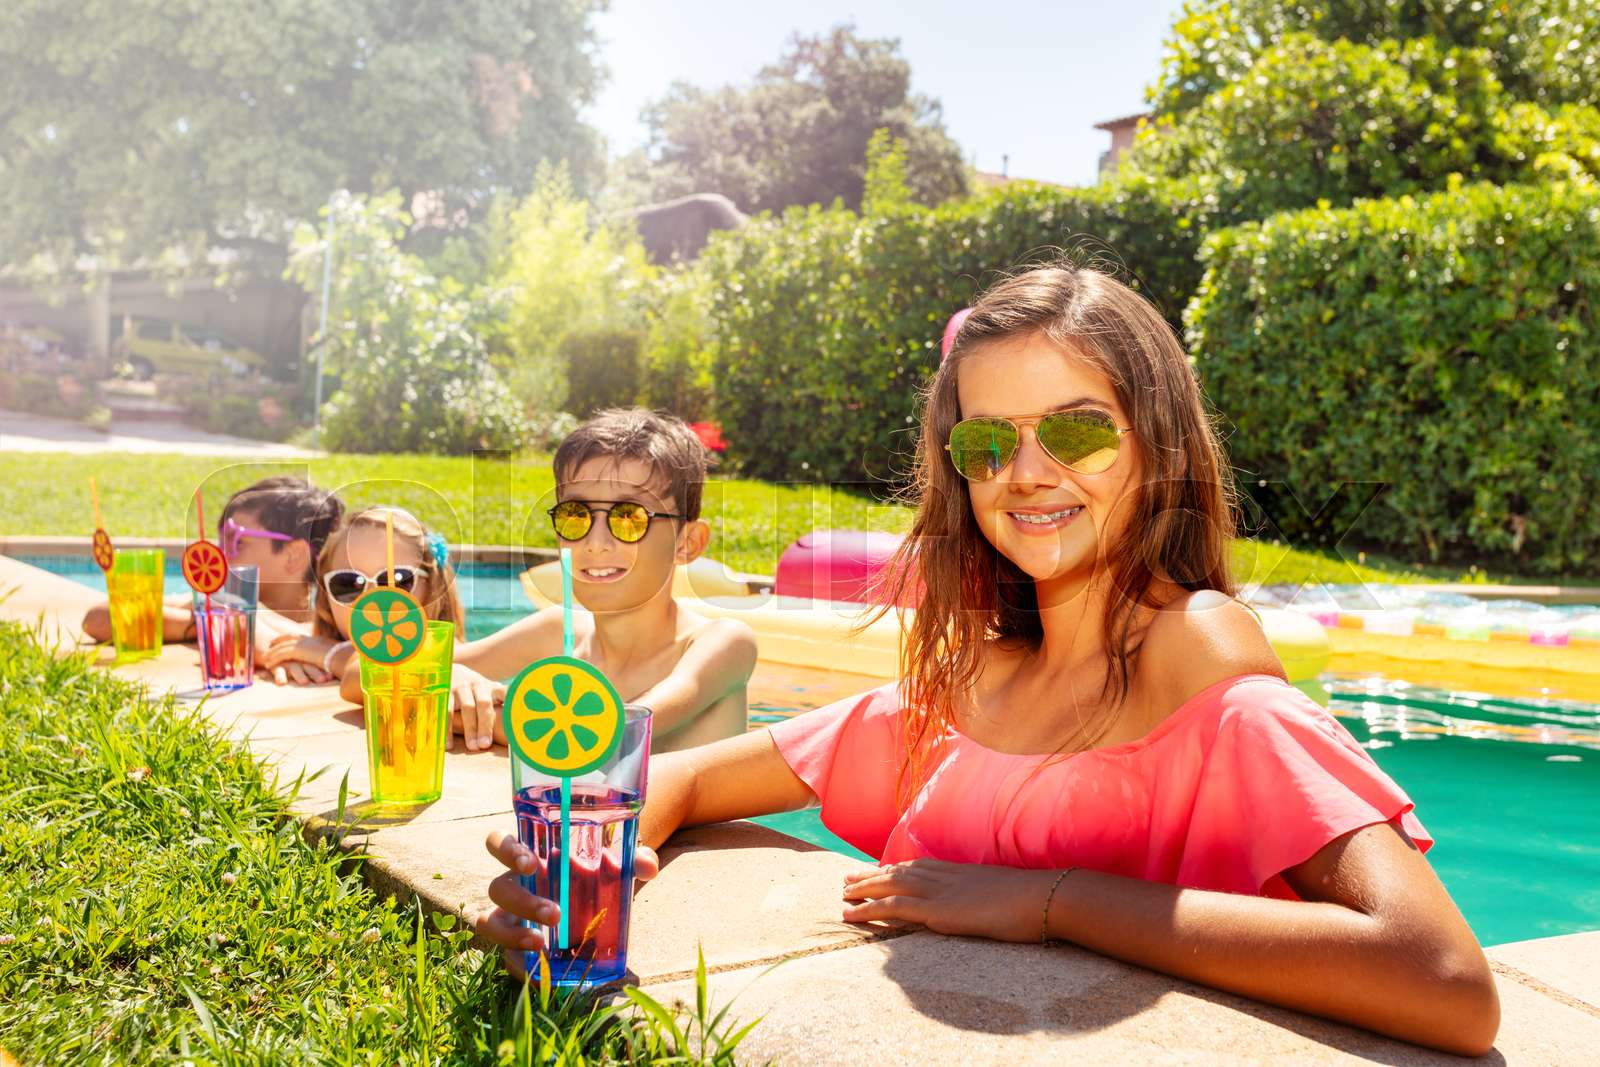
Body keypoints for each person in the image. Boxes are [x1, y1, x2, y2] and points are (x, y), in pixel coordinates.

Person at [475, 265, 1499, 1057]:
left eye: (1077, 432)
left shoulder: (1199, 658)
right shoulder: (970, 684)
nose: (1027, 473)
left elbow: (1445, 979)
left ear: (1158, 442)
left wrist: (1049, 900)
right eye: (986, 445)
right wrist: (591, 862)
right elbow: (691, 774)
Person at [450, 407, 756, 754]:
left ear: (687, 543)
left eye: (629, 518)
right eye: (576, 515)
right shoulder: (559, 632)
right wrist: (455, 677)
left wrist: (468, 717)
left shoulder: (721, 644)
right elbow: (416, 670)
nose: (595, 542)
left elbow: (606, 733)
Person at [259, 505, 506, 748]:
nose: (372, 599)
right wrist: (282, 653)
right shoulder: (319, 642)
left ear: (432, 588)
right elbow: (257, 618)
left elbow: (365, 671)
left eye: (395, 581)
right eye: (348, 584)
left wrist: (330, 655)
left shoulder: (449, 657)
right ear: (326, 597)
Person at [82, 475, 345, 684]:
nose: (220, 555)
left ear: (294, 555)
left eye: (237, 542)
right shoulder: (221, 602)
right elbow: (98, 618)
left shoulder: (332, 627)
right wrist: (220, 626)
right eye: (221, 540)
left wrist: (244, 625)